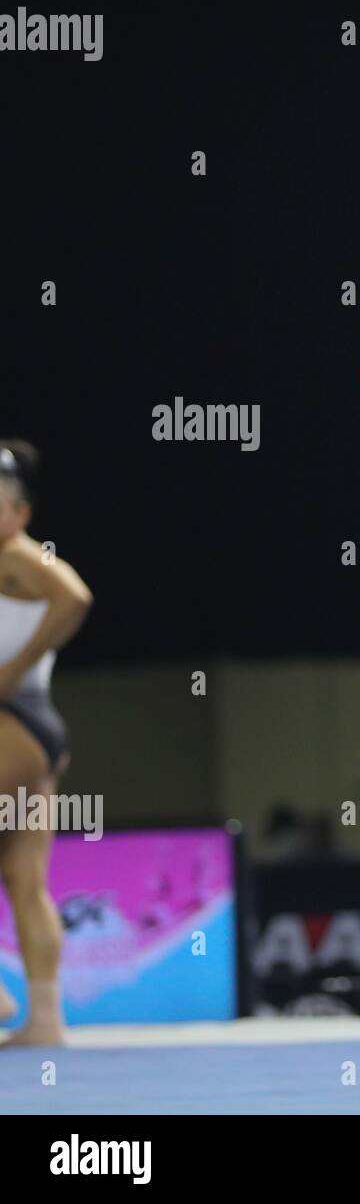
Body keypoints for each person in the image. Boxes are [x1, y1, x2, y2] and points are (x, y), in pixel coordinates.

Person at [0, 441, 94, 1047]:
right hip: (36, 732)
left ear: (21, 513)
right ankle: (45, 1021)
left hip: (14, 716)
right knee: (25, 878)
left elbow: (76, 597)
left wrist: (11, 671)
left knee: (26, 878)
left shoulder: (16, 556)